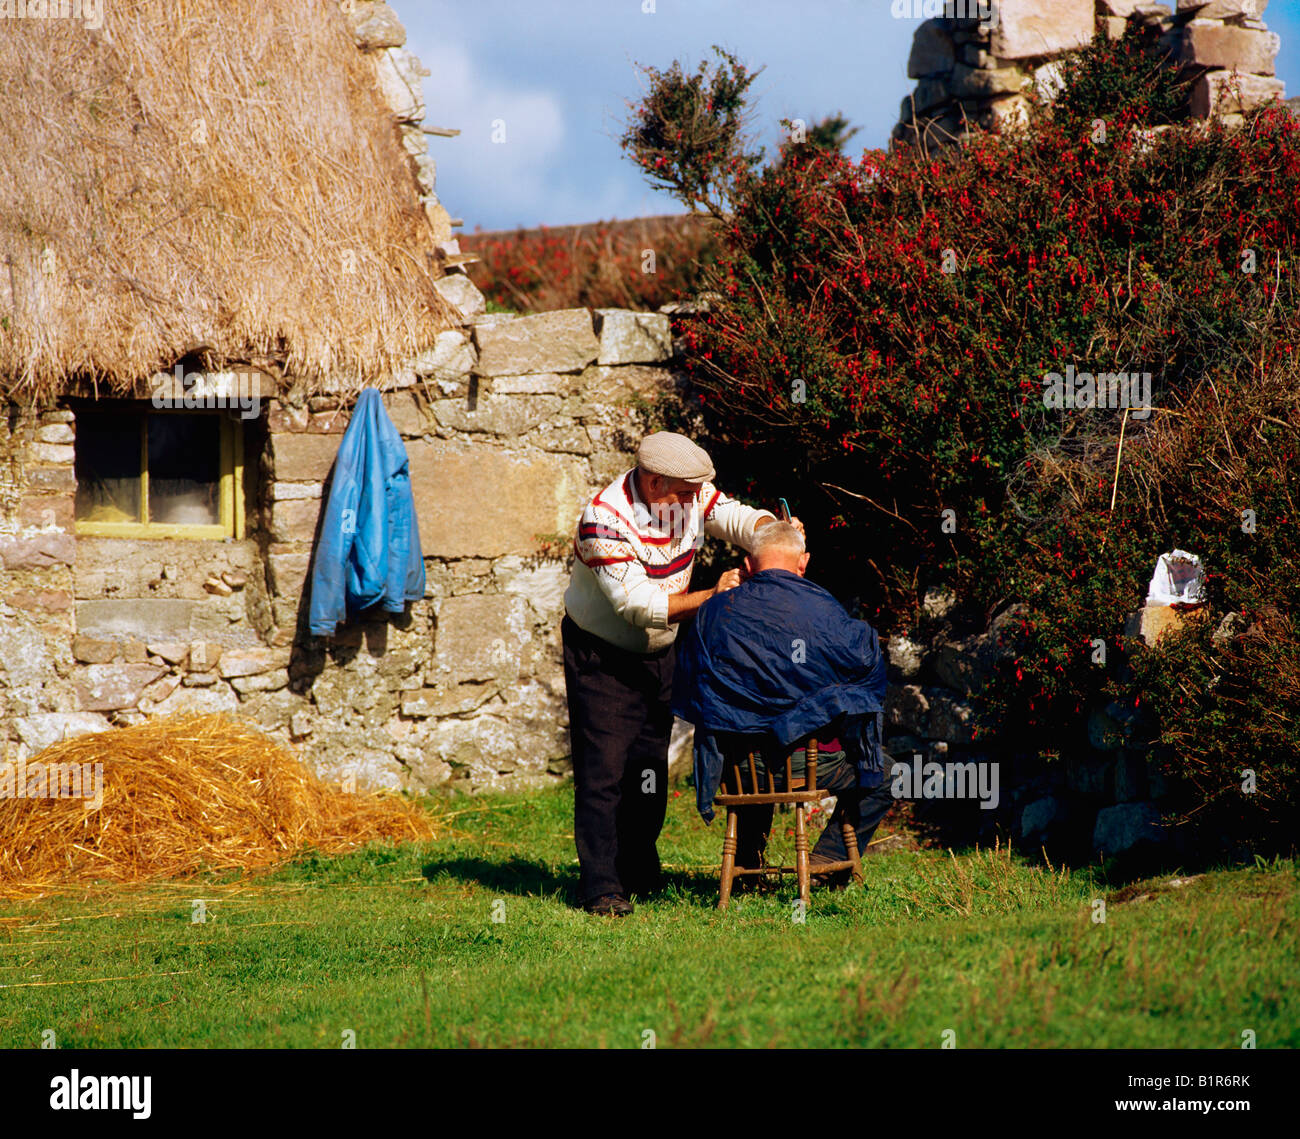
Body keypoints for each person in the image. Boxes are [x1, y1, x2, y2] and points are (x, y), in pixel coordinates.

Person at [562, 431, 789, 916]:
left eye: (696, 494)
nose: (694, 503)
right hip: (602, 654)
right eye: (685, 494)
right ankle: (600, 886)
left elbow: (735, 517)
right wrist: (714, 595)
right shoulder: (602, 521)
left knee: (648, 766)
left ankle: (639, 870)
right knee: (603, 772)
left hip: (661, 651)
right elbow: (638, 606)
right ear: (653, 479)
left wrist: (776, 531)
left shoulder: (688, 490)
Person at [672, 521, 893, 886]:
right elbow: (866, 664)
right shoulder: (822, 609)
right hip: (809, 765)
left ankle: (747, 866)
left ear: (747, 564)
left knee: (752, 737)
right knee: (890, 775)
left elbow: (693, 687)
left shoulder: (713, 613)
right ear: (803, 562)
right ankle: (828, 860)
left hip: (739, 768)